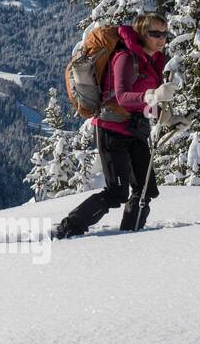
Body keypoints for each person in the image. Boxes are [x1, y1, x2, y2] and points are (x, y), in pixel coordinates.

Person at [55, 13, 170, 238]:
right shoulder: (125, 58)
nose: (161, 38)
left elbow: (144, 104)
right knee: (117, 192)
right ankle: (69, 228)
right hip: (112, 130)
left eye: (164, 33)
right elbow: (123, 96)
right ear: (141, 34)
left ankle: (131, 235)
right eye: (154, 33)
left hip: (136, 131)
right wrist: (152, 95)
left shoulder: (151, 61)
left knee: (146, 189)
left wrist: (165, 116)